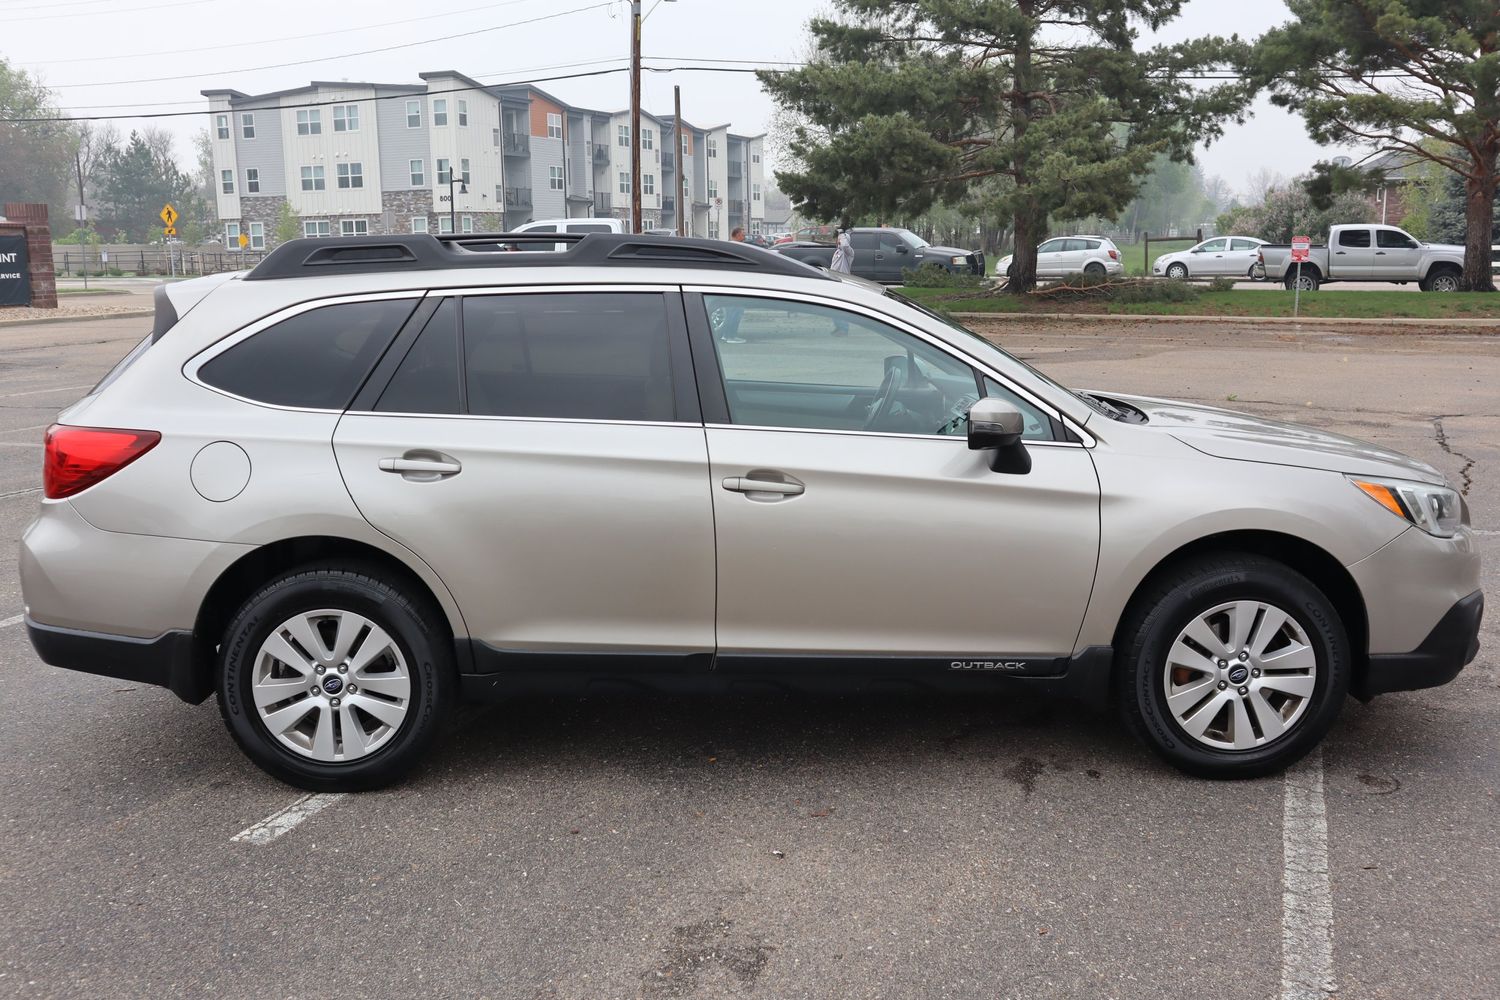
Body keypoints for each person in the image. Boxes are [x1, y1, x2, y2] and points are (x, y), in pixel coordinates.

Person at [718, 227, 748, 343]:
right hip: (733, 284)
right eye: (742, 234)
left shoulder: (732, 247)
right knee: (735, 310)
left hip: (733, 283)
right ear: (736, 235)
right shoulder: (734, 248)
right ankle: (730, 335)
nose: (744, 237)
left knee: (735, 310)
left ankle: (729, 335)